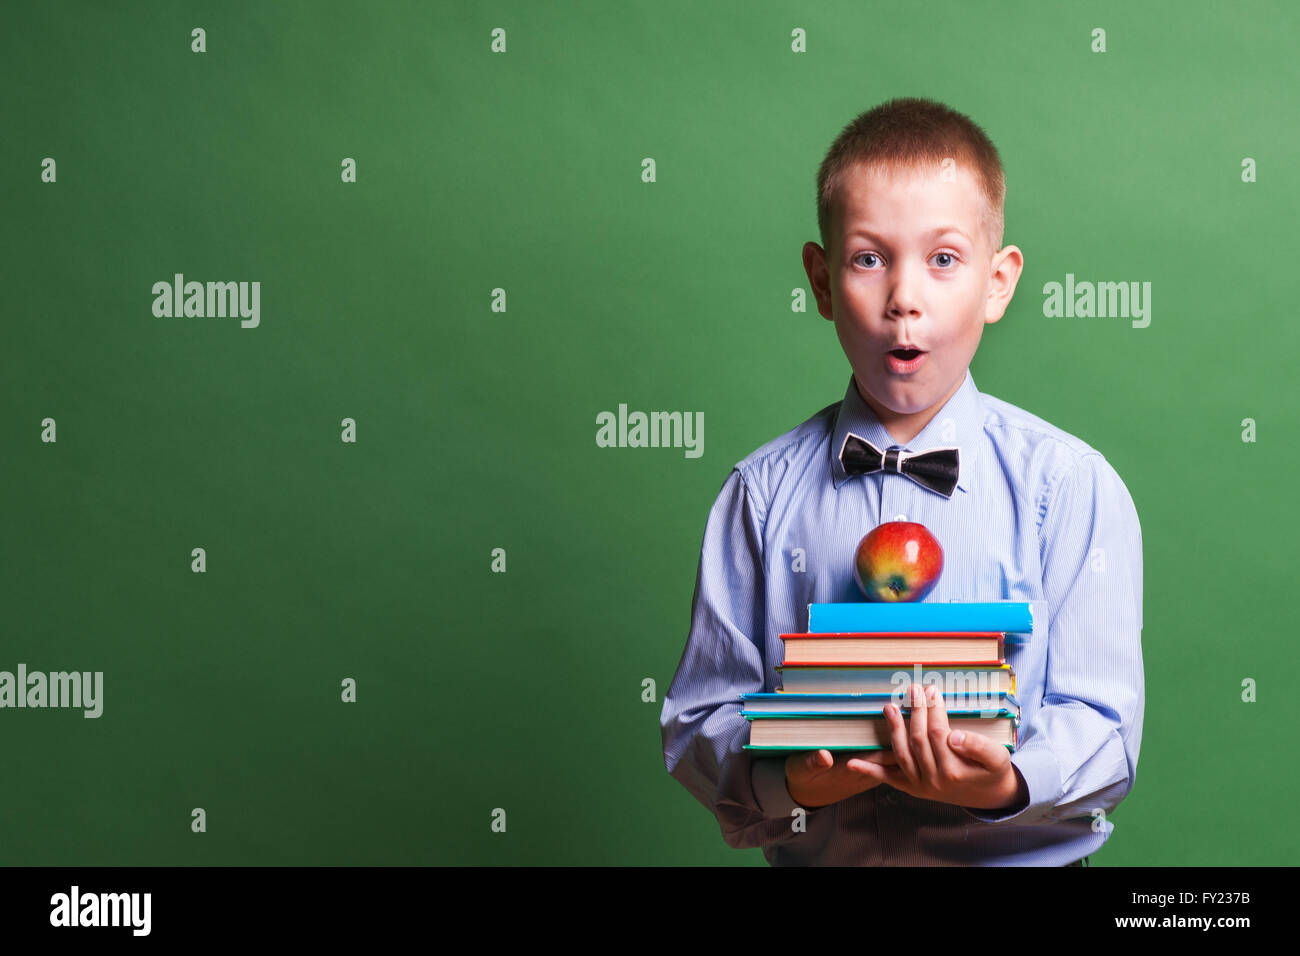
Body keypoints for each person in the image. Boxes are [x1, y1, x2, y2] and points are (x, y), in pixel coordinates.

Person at [659, 97, 1144, 866]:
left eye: (943, 259)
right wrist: (791, 780)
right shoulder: (757, 497)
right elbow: (698, 720)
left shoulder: (1071, 487)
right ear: (821, 282)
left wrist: (1003, 782)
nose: (903, 299)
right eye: (868, 258)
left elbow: (1104, 727)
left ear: (998, 281)